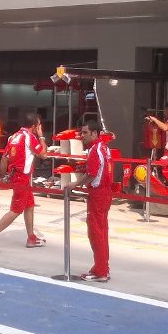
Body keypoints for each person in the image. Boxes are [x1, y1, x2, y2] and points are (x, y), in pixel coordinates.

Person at [0, 113, 49, 252]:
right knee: (16, 210)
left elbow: (5, 159)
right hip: (22, 178)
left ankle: (31, 238)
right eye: (38, 126)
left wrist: (3, 176)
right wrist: (41, 136)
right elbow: (44, 154)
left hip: (16, 176)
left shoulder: (14, 136)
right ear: (34, 126)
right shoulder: (30, 137)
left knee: (29, 206)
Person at [65, 120, 113, 282]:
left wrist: (74, 184)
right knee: (102, 231)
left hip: (98, 194)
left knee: (96, 232)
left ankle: (100, 271)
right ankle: (103, 267)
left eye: (85, 133)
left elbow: (92, 174)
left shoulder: (95, 150)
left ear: (94, 133)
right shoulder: (104, 148)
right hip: (105, 192)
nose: (82, 136)